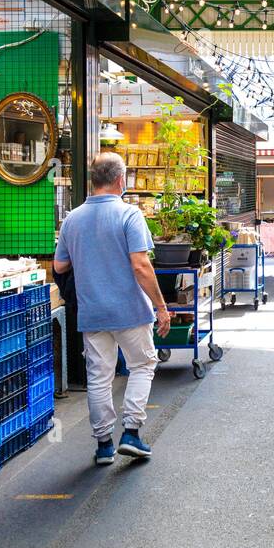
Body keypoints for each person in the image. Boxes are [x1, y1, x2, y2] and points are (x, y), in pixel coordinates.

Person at [53, 152, 172, 466]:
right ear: (121, 180)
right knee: (143, 365)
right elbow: (141, 266)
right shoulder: (129, 215)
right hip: (130, 310)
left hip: (92, 312)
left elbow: (60, 264)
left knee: (99, 377)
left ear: (94, 180)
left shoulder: (72, 219)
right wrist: (161, 306)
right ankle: (131, 432)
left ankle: (104, 444)